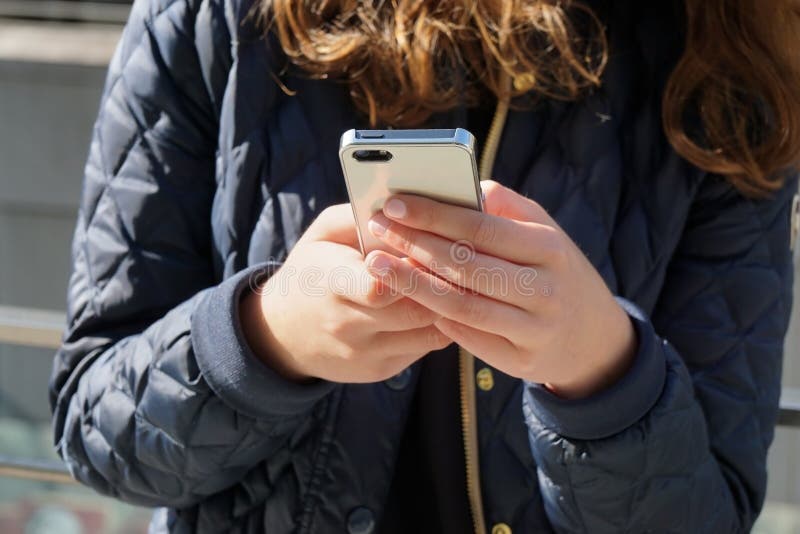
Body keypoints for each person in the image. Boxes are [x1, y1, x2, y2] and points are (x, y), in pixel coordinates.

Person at [49, 0, 800, 532]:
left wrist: (605, 373)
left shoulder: (728, 60)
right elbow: (95, 432)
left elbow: (709, 512)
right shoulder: (216, 17)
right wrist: (265, 338)